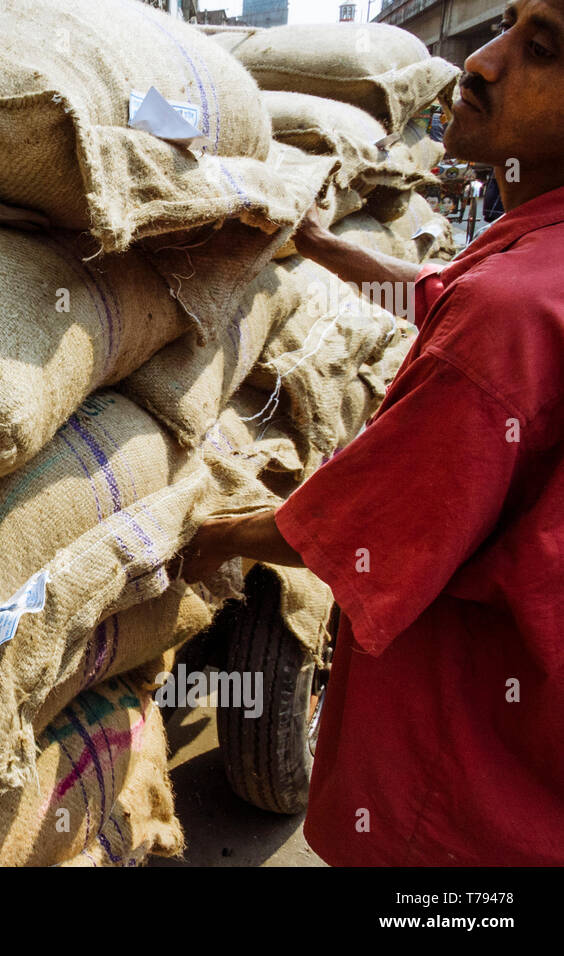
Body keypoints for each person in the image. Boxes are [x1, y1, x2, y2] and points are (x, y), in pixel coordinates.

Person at [181, 0, 563, 866]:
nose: (483, 63)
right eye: (506, 24)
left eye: (540, 50)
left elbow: (357, 526)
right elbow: (435, 293)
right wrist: (316, 241)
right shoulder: (525, 269)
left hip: (473, 798)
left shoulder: (511, 315)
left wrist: (208, 540)